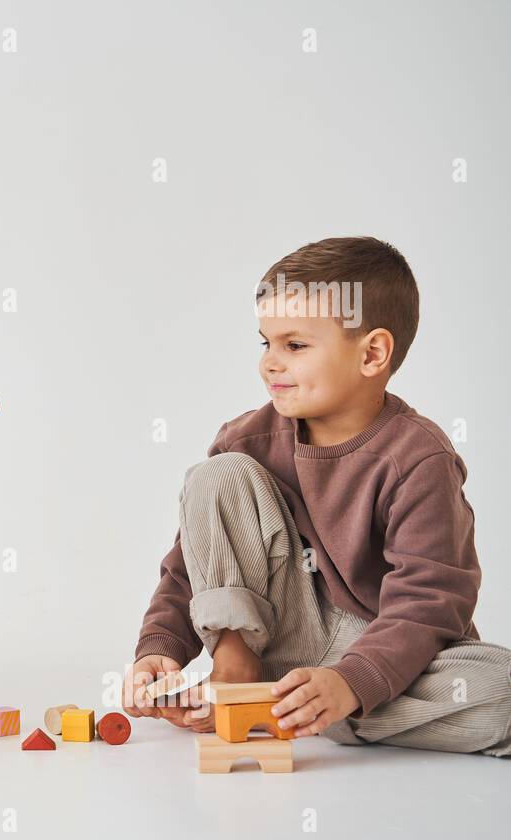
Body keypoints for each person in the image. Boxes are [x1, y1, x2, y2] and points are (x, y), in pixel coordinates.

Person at [123, 236, 511, 756]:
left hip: (379, 646)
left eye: (295, 345)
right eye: (266, 343)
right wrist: (162, 647)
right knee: (216, 475)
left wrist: (353, 682)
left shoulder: (418, 458)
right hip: (275, 630)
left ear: (372, 353)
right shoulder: (246, 441)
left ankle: (312, 707)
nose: (270, 364)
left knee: (498, 688)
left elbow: (431, 601)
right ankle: (242, 676)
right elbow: (188, 568)